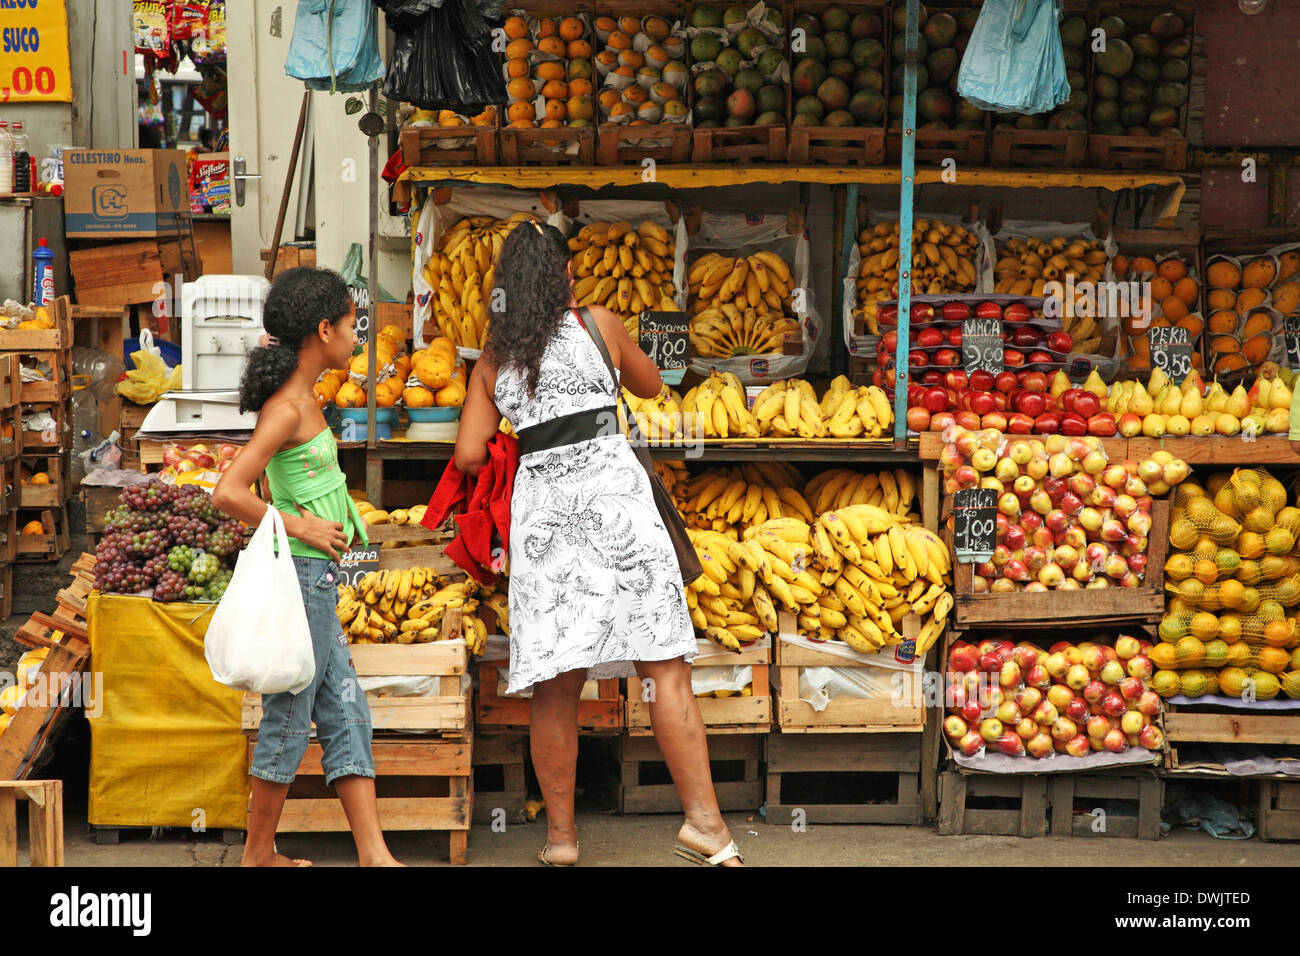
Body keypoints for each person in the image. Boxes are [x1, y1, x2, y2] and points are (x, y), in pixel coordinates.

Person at [454, 222, 745, 867]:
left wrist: (522, 429)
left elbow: (470, 454)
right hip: (618, 505)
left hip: (546, 518)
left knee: (556, 686)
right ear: (562, 277)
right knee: (664, 667)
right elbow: (651, 384)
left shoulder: (493, 357)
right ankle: (704, 825)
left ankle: (561, 840)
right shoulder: (597, 324)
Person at [212, 267, 402, 868]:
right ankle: (257, 856)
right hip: (299, 578)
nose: (358, 336)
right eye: (352, 325)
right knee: (290, 717)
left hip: (316, 579)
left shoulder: (305, 397)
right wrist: (300, 524)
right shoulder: (288, 409)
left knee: (346, 709)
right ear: (323, 330)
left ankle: (373, 854)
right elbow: (229, 491)